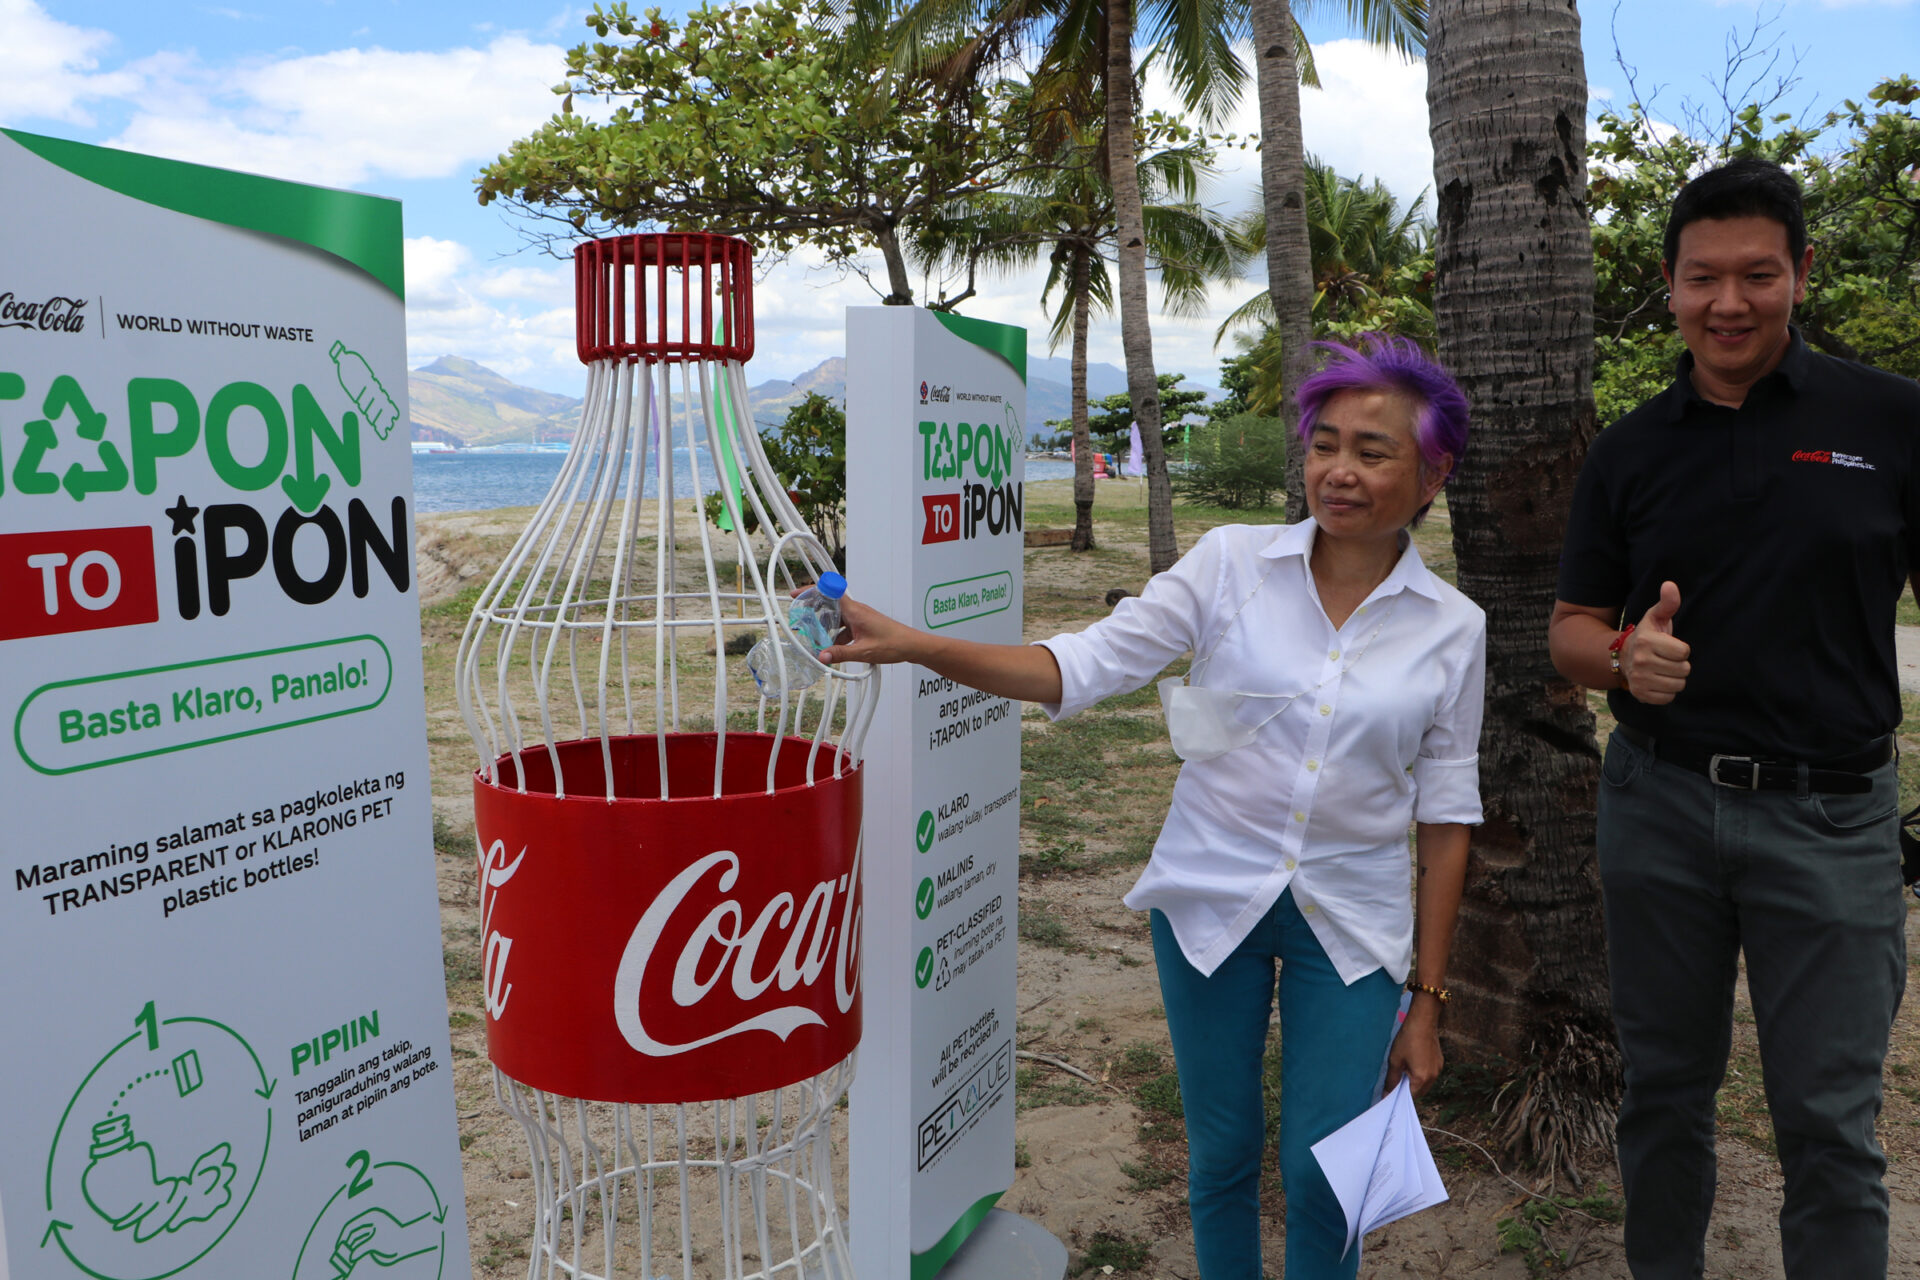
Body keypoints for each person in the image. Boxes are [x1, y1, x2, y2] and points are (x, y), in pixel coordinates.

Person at [824, 335, 1485, 1278]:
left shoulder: (1455, 630)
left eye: (1372, 452)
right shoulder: (1229, 568)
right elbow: (1081, 665)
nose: (1339, 472)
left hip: (1356, 929)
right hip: (1209, 904)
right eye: (1324, 444)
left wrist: (1427, 998)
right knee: (1218, 1159)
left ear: (1431, 473)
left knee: (1324, 1176)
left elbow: (1448, 819)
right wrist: (920, 645)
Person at [1550, 158, 1920, 1279]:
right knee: (1663, 1092)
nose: (1730, 302)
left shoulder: (1892, 419)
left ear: (1800, 273)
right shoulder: (1629, 449)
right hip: (1659, 804)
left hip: (1834, 817)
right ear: (1667, 285)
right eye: (1703, 277)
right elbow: (1568, 630)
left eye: (1757, 274)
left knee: (1828, 1120)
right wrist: (1624, 658)